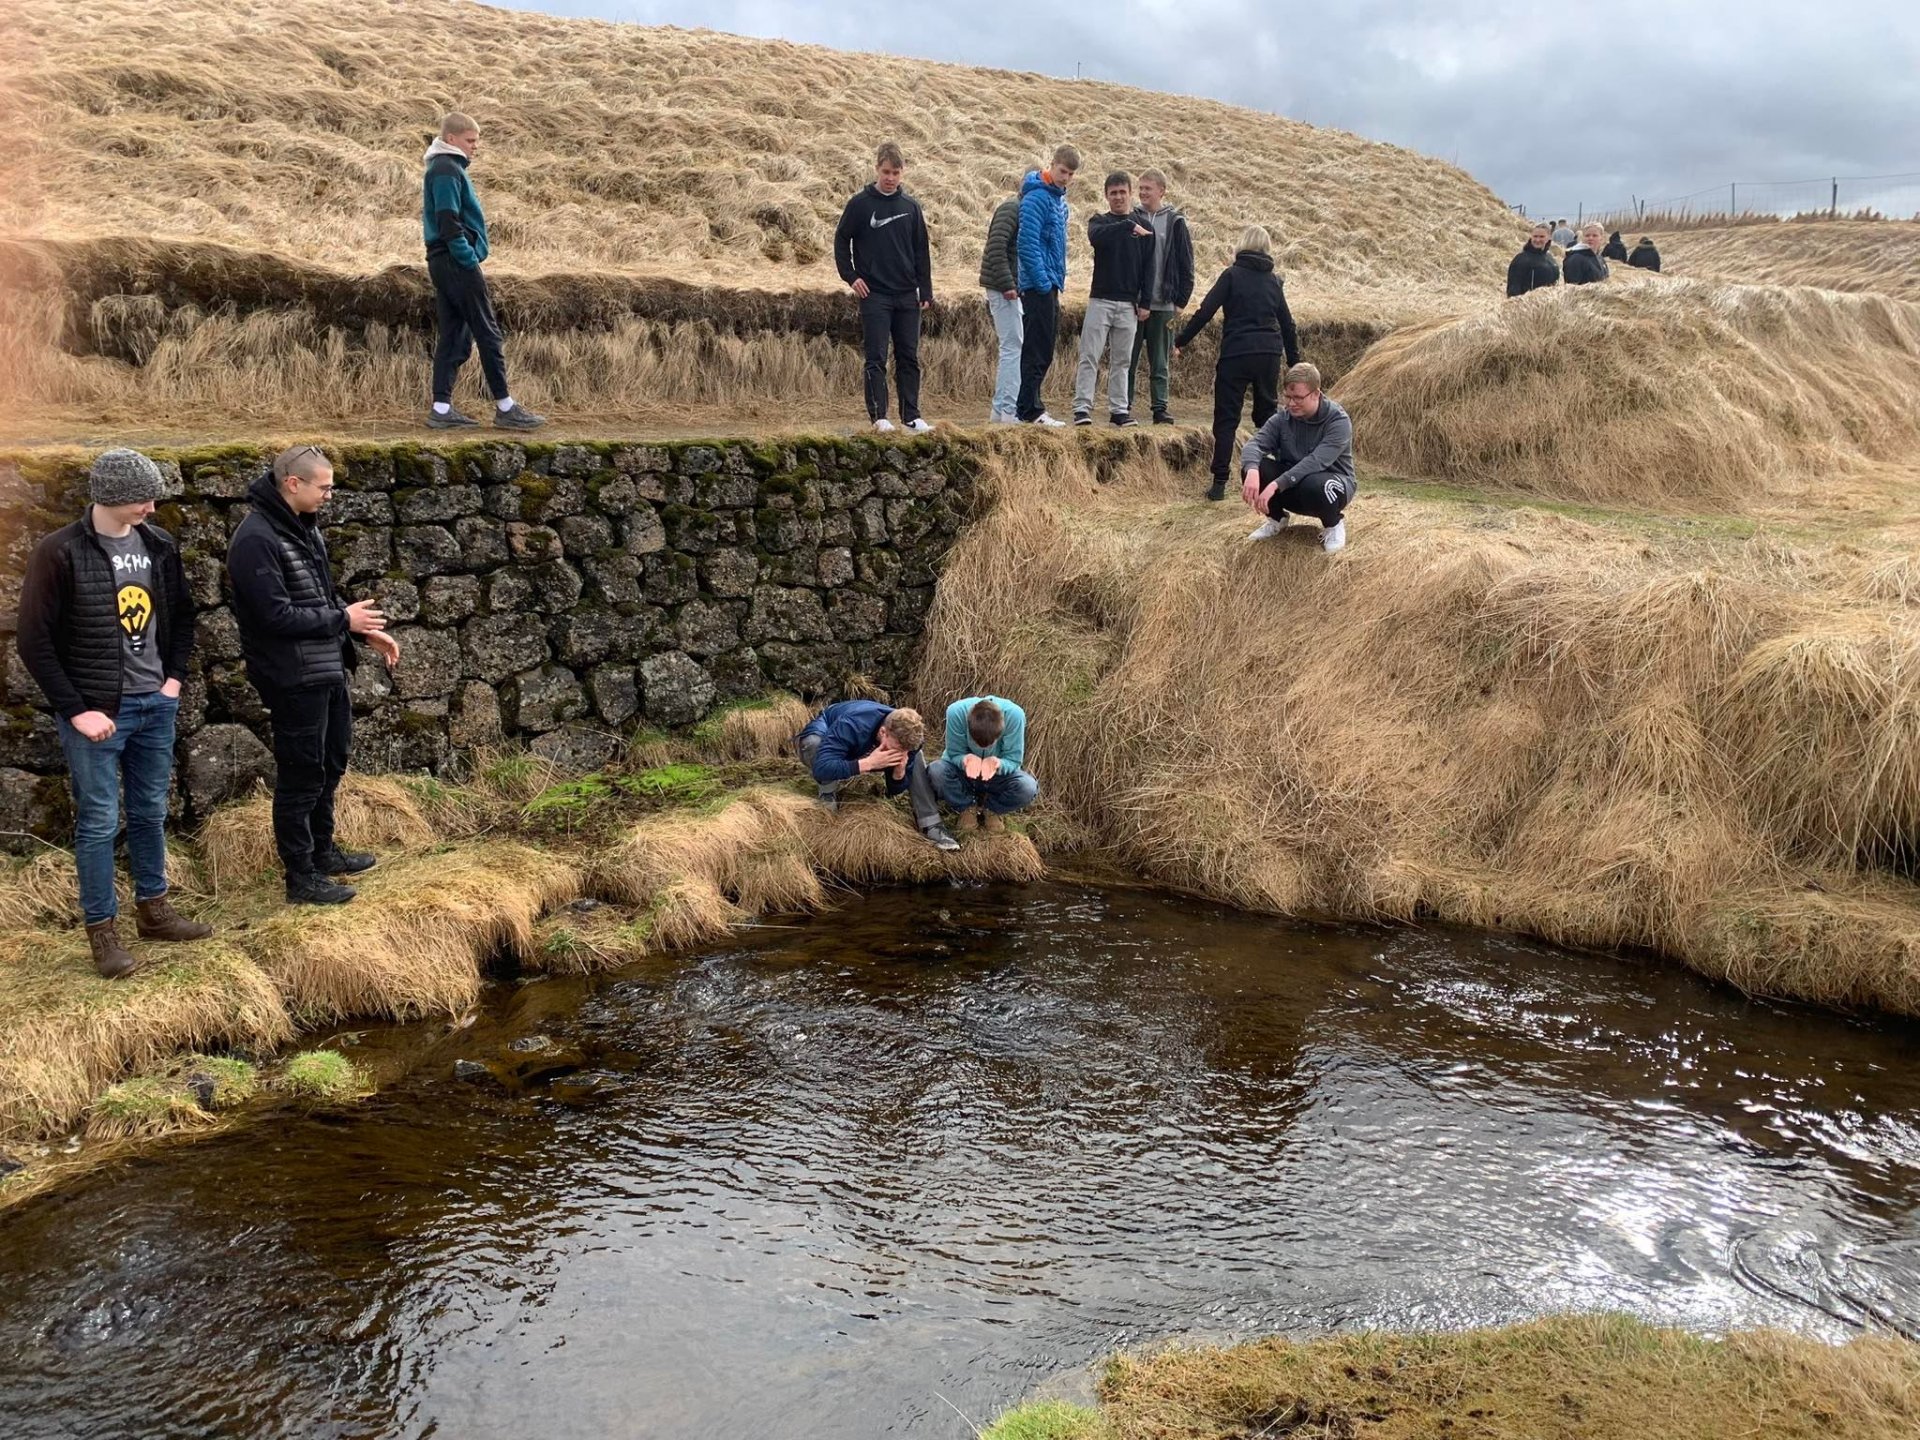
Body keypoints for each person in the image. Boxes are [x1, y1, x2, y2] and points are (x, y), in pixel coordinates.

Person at [16, 449, 208, 977]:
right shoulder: (59, 551)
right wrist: (77, 711)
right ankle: (103, 935)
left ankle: (155, 912)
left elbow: (184, 617)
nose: (152, 506)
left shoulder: (159, 544)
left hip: (155, 705)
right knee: (99, 821)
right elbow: (34, 641)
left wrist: (172, 681)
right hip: (97, 714)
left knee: (150, 811)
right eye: (143, 498)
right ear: (110, 496)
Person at [227, 447, 401, 905]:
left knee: (330, 765)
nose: (329, 495)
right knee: (301, 775)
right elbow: (275, 616)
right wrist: (345, 621)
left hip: (325, 668)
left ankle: (323, 854)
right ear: (293, 484)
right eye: (323, 487)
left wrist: (363, 635)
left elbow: (320, 599)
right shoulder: (256, 539)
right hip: (291, 677)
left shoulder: (303, 528)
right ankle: (301, 876)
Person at [422, 112, 545, 431]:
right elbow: (447, 218)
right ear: (451, 139)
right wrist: (467, 256)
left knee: (454, 337)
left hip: (441, 261)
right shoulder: (447, 168)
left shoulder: (442, 167)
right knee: (487, 332)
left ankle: (441, 408)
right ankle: (505, 407)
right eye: (470, 140)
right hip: (454, 260)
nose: (475, 147)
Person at [1175, 225, 1300, 502]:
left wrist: (1181, 340)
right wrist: (1294, 361)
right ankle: (1276, 476)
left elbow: (1206, 310)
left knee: (1227, 418)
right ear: (1267, 249)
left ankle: (1219, 483)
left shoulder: (1231, 276)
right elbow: (1287, 324)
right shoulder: (1273, 281)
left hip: (1236, 353)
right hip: (1268, 354)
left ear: (1241, 246)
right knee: (1267, 416)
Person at [834, 141, 936, 435]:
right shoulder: (859, 204)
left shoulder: (911, 208)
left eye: (896, 173)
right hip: (875, 295)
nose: (890, 178)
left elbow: (921, 251)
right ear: (877, 168)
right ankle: (879, 417)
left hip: (907, 295)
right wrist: (851, 276)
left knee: (908, 357)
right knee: (876, 357)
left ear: (903, 173)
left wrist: (925, 290)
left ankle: (911, 416)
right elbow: (841, 240)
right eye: (886, 172)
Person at [795, 701, 960, 851]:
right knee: (813, 744)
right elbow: (821, 768)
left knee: (915, 757)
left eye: (904, 750)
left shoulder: (909, 741)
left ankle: (931, 824)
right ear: (883, 732)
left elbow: (894, 790)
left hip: (866, 747)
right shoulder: (851, 724)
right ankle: (827, 790)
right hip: (831, 730)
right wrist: (868, 764)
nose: (899, 754)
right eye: (896, 749)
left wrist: (898, 773)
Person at [1242, 363, 1356, 554]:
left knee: (1316, 483)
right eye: (1288, 396)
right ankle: (1277, 519)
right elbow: (1253, 445)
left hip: (1329, 485)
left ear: (1315, 394)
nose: (1291, 403)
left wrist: (1275, 485)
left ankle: (1333, 525)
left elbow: (1316, 462)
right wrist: (1252, 470)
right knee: (1255, 466)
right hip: (1293, 486)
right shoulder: (1282, 418)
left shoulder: (1338, 421)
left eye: (1298, 398)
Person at [1072, 172, 1155, 427]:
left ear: (1130, 193)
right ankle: (1082, 408)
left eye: (1122, 192)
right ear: (1106, 196)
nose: (1118, 197)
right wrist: (1127, 225)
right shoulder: (1100, 222)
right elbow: (1097, 238)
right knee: (1090, 355)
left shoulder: (1145, 227)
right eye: (1113, 193)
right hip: (1100, 300)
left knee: (1122, 361)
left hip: (1128, 304)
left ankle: (1119, 411)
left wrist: (1145, 302)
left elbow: (1149, 267)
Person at [1014, 145, 1082, 427]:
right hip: (1037, 285)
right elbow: (1027, 244)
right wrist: (1041, 281)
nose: (1065, 177)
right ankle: (1029, 409)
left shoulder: (1058, 200)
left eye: (1070, 174)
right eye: (1062, 171)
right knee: (1036, 347)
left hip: (1051, 282)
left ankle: (1029, 405)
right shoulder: (1037, 198)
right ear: (1051, 165)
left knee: (1045, 346)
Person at [1127, 169, 1195, 425]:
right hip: (1134, 303)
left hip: (1164, 303)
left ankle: (1160, 408)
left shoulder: (1175, 221)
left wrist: (1180, 301)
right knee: (1128, 359)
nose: (1143, 192)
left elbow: (1186, 262)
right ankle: (1124, 406)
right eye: (1141, 188)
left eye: (1148, 188)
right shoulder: (1131, 218)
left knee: (1160, 361)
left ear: (1161, 191)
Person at [928, 696, 1038, 832]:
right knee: (936, 771)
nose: (985, 749)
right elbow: (954, 753)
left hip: (996, 775)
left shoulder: (1015, 716)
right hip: (963, 773)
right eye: (976, 742)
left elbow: (1014, 760)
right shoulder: (955, 712)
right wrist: (964, 759)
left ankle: (992, 810)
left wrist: (999, 764)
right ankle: (966, 807)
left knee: (1027, 787)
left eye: (990, 744)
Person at [978, 186, 1023, 424]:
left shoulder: (1019, 209)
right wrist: (1008, 284)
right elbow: (996, 247)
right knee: (1012, 347)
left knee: (1013, 346)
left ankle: (1000, 411)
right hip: (1003, 289)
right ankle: (1007, 410)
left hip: (1010, 287)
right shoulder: (1011, 208)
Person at [1506, 223, 1561, 297]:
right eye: (1535, 236)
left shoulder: (1549, 258)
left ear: (1549, 238)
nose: (1537, 240)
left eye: (1542, 237)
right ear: (1531, 237)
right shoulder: (1521, 260)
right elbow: (1513, 290)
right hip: (1529, 306)